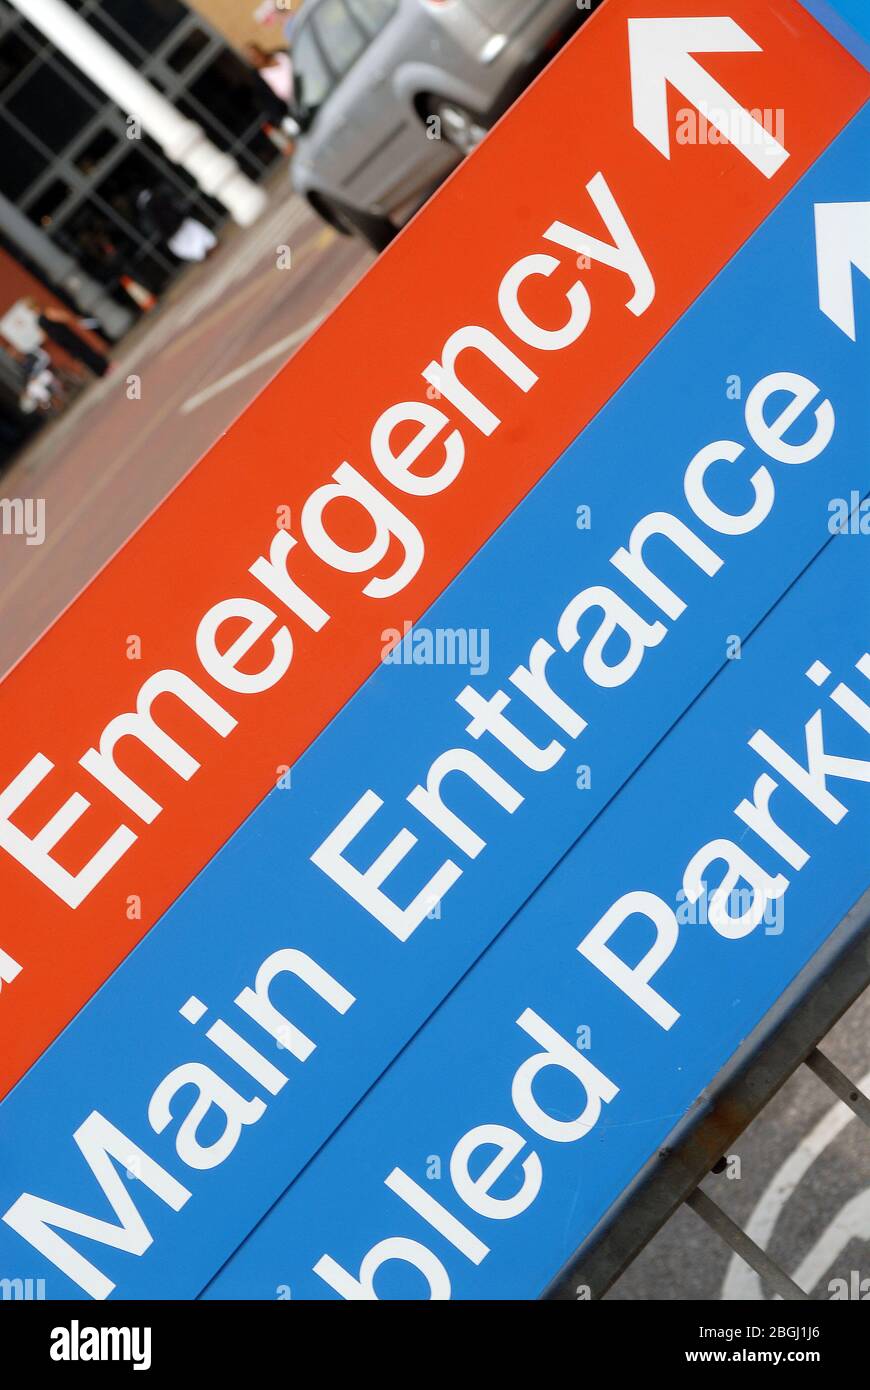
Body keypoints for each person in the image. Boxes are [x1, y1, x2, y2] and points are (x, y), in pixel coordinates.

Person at [136, 185, 218, 265]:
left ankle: (205, 251)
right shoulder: (153, 207)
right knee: (193, 238)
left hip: (176, 228)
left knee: (194, 239)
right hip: (176, 227)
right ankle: (205, 251)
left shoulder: (152, 208)